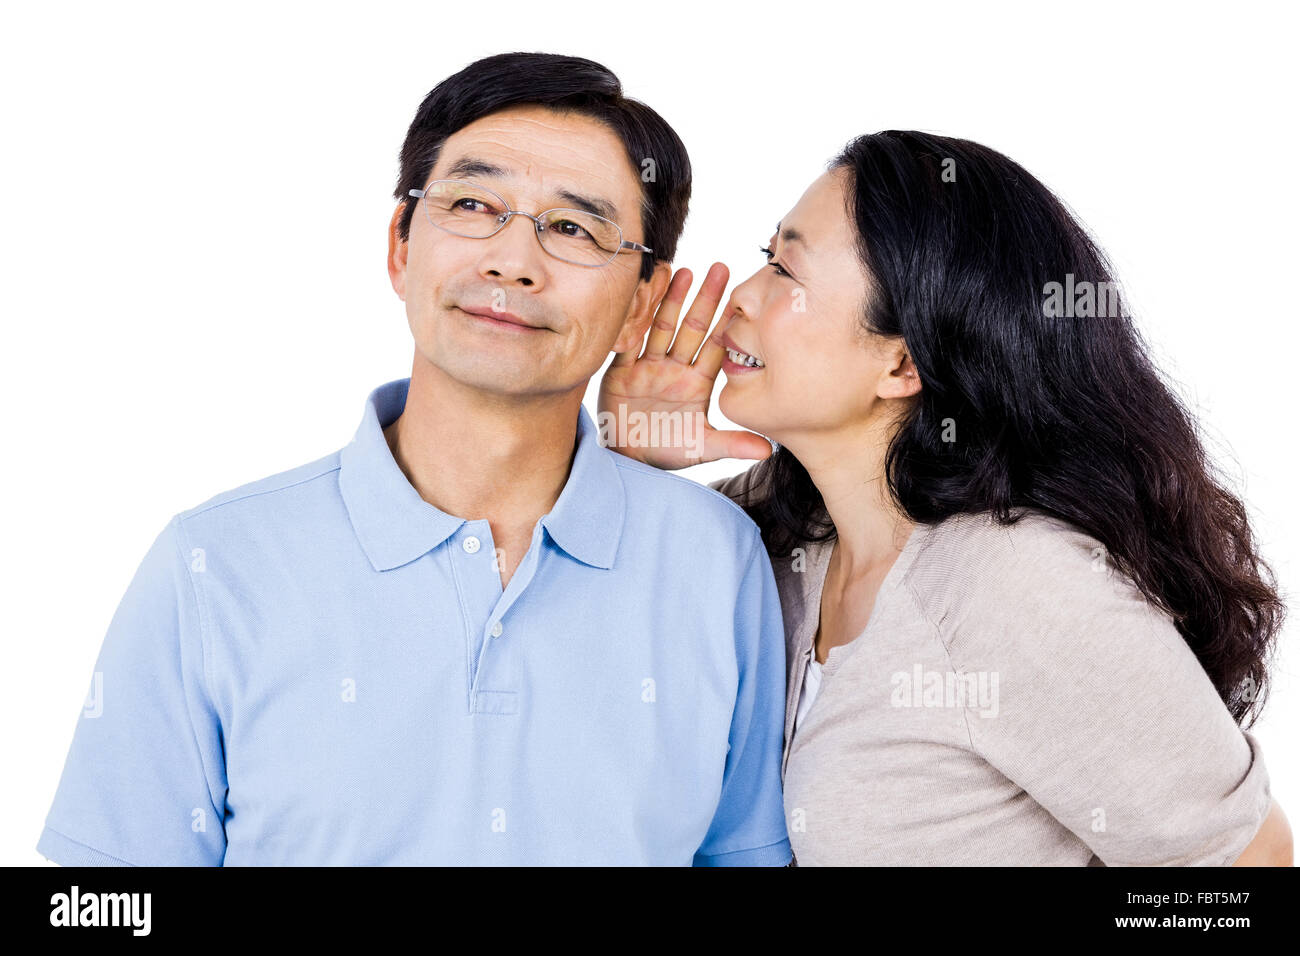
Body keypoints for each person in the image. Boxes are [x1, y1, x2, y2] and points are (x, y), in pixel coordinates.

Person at [35, 52, 793, 867]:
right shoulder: (214, 565)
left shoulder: (717, 561)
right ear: (400, 246)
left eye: (572, 228)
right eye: (472, 204)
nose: (511, 261)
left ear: (644, 296)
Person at [600, 130, 1293, 866]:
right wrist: (628, 461)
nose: (739, 296)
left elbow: (1248, 865)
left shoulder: (1017, 586)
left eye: (784, 271)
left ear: (901, 362)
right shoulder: (782, 524)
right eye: (763, 254)